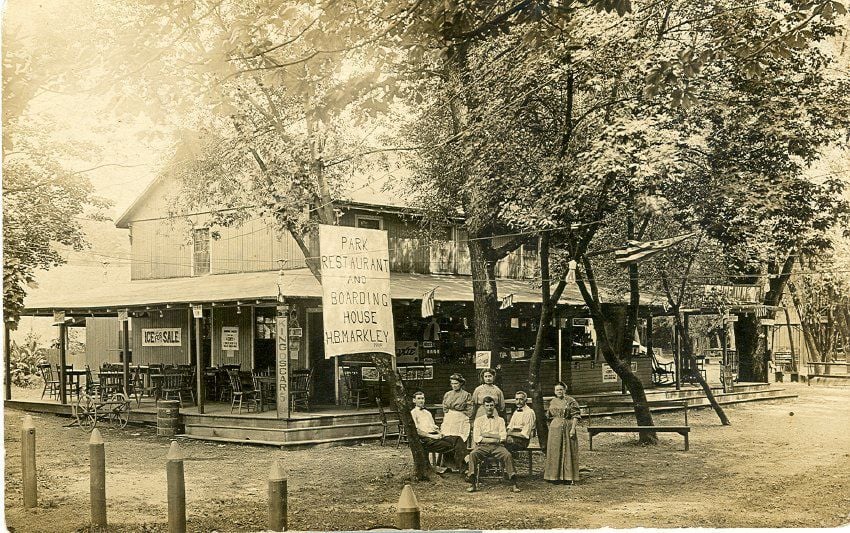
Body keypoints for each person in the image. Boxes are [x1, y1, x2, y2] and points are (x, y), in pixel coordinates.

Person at [466, 396, 520, 493]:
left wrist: (487, 435)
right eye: (487, 405)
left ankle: (513, 483)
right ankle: (473, 483)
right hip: (482, 446)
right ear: (483, 406)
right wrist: (496, 437)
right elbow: (477, 438)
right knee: (472, 454)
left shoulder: (500, 420)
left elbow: (503, 437)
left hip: (498, 447)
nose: (489, 408)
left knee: (507, 455)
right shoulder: (478, 420)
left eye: (491, 405)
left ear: (494, 406)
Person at [410, 391, 466, 473]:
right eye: (419, 399)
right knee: (452, 446)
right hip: (425, 439)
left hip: (435, 436)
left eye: (423, 398)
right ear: (414, 401)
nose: (421, 400)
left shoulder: (427, 413)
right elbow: (417, 431)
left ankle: (460, 466)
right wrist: (432, 436)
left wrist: (439, 433)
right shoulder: (413, 413)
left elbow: (433, 426)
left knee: (457, 439)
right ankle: (464, 468)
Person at [543, 381, 581, 484]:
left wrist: (573, 429)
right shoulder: (552, 401)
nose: (559, 391)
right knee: (555, 451)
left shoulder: (571, 401)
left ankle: (567, 477)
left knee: (566, 450)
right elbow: (548, 415)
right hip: (554, 428)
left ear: (565, 390)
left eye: (561, 389)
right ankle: (554, 476)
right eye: (557, 390)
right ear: (554, 391)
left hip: (567, 427)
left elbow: (576, 416)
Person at [440, 373, 473, 454]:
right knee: (447, 438)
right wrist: (449, 413)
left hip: (460, 418)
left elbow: (469, 409)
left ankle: (460, 462)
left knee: (459, 439)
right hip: (449, 418)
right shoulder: (448, 394)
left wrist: (461, 413)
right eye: (452, 383)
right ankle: (447, 463)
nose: (454, 385)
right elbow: (444, 406)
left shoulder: (466, 395)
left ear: (461, 383)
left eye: (456, 383)